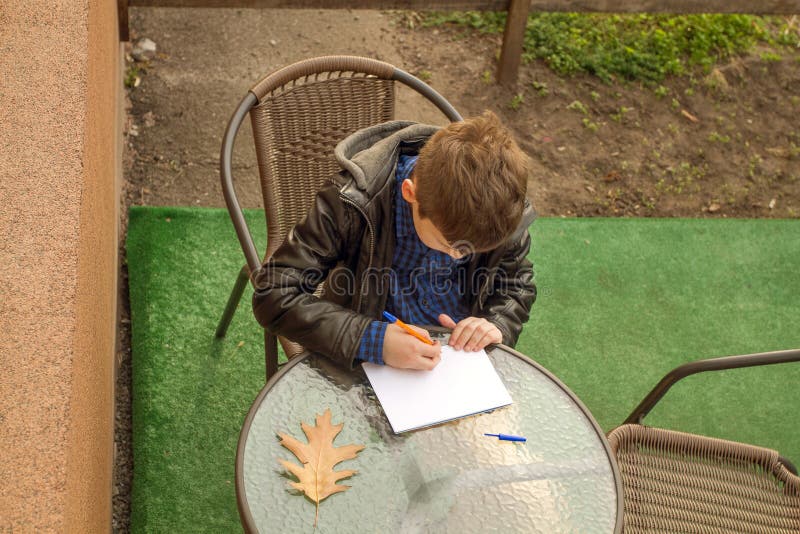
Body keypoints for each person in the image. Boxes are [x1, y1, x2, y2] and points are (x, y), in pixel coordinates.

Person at [252, 110, 536, 371]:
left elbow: (517, 283)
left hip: (456, 357)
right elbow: (274, 294)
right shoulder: (353, 202)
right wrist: (373, 339)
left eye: (473, 252)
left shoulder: (500, 208)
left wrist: (496, 321)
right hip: (366, 348)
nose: (457, 257)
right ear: (410, 193)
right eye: (446, 244)